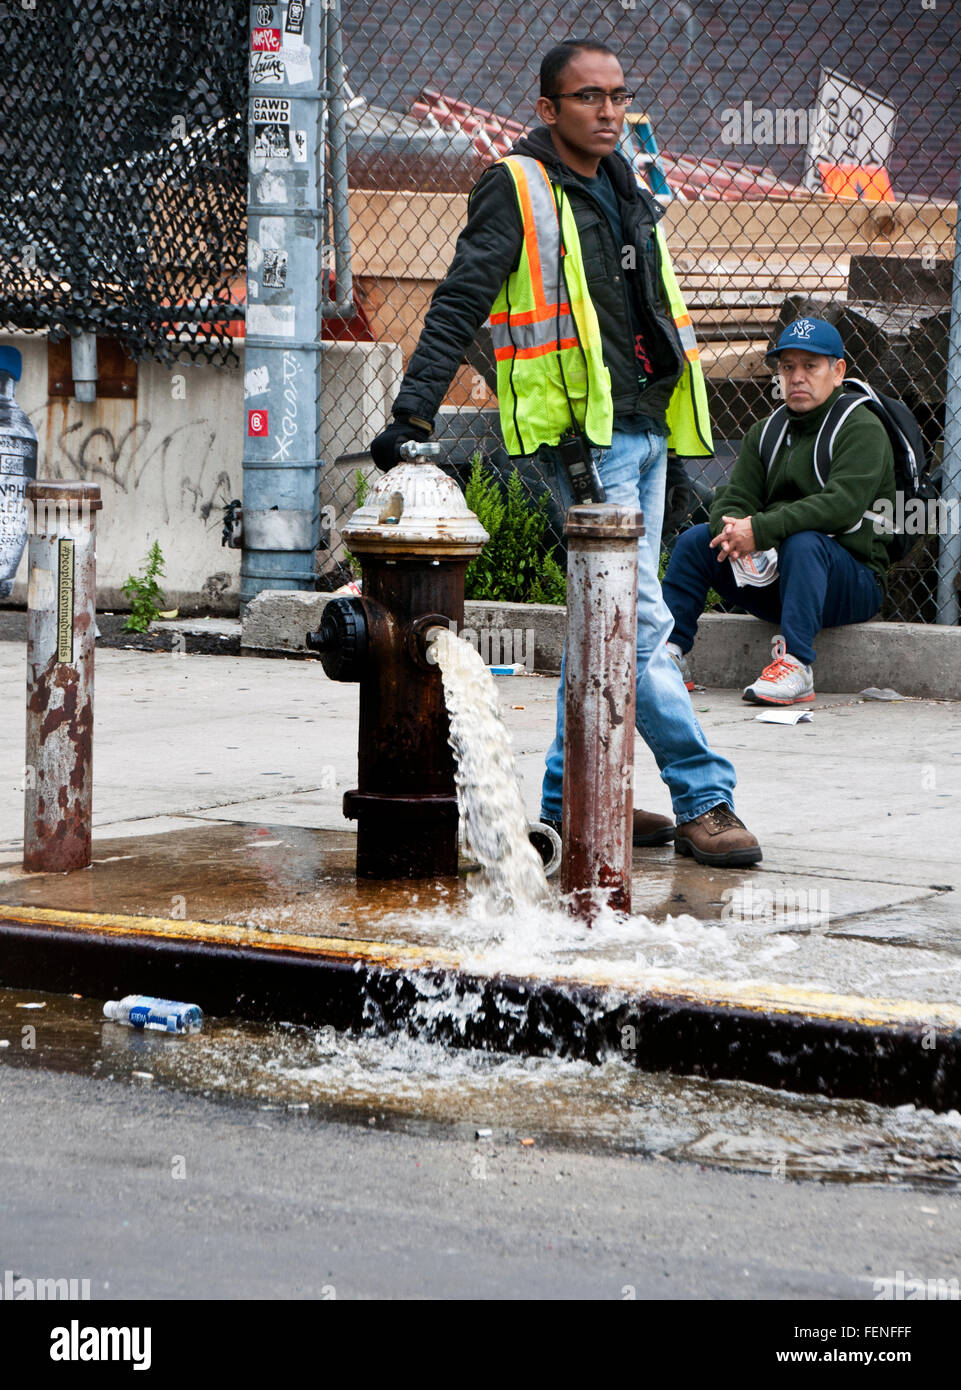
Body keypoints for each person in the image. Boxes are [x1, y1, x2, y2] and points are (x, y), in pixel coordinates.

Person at [370, 38, 760, 868]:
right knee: (640, 620)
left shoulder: (625, 180)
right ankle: (704, 794)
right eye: (589, 98)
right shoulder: (515, 187)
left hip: (650, 426)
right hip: (584, 440)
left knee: (604, 619)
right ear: (548, 109)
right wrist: (411, 411)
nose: (609, 111)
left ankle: (566, 800)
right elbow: (459, 299)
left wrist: (672, 441)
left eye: (618, 96)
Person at [662, 317, 896, 705]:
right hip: (780, 577)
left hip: (851, 582)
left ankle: (797, 666)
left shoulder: (861, 428)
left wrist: (763, 530)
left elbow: (840, 507)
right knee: (694, 542)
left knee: (805, 542)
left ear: (837, 372)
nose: (797, 377)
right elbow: (733, 496)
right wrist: (735, 530)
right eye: (788, 367)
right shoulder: (767, 430)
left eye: (810, 366)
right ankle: (670, 655)